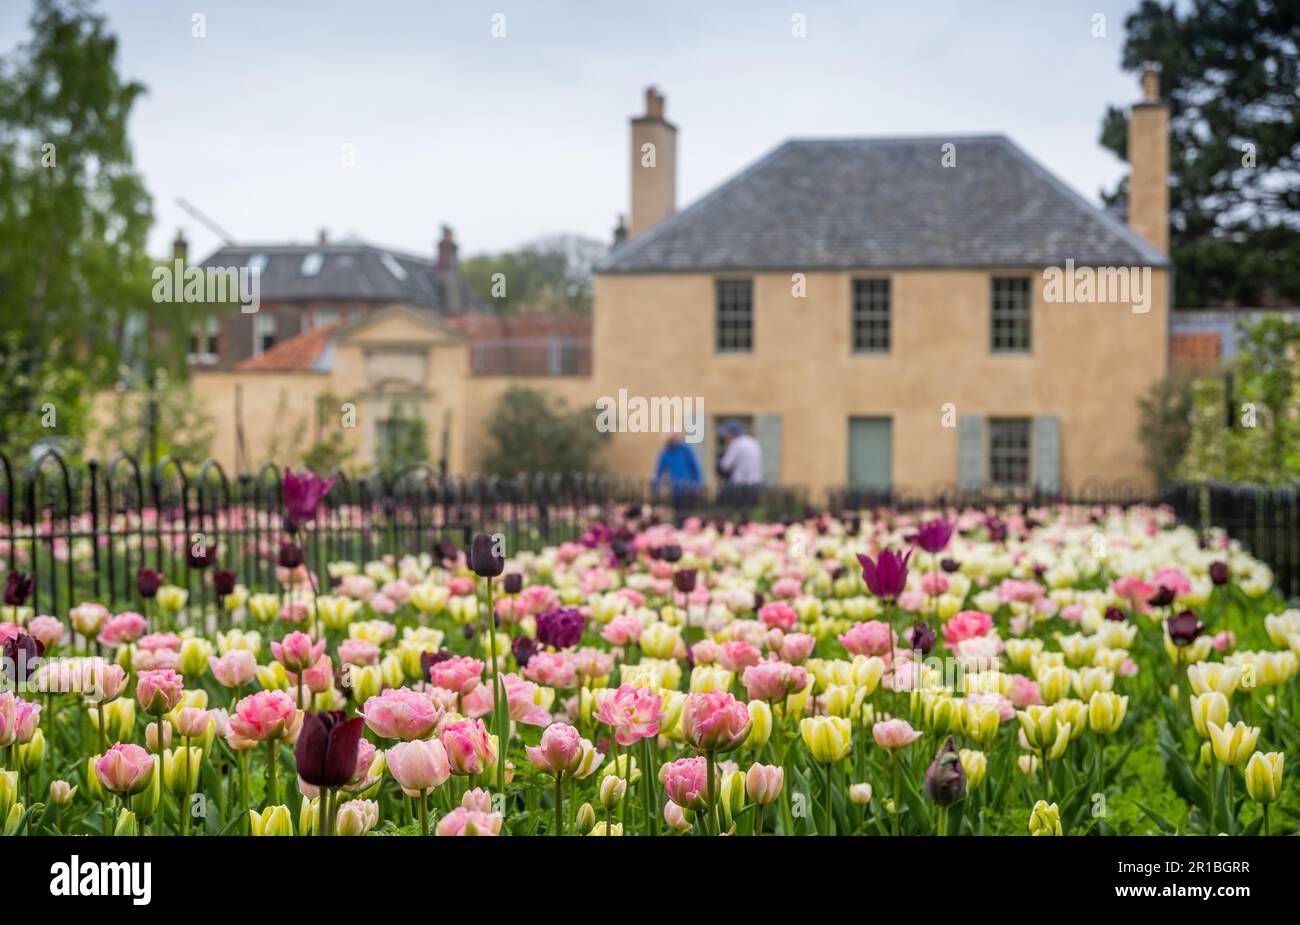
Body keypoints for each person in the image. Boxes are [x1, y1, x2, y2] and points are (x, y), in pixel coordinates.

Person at [652, 432, 703, 521]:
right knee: (677, 516)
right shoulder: (665, 451)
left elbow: (695, 467)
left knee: (687, 515)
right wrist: (655, 487)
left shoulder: (686, 449)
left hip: (688, 488)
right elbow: (659, 470)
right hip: (675, 489)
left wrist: (698, 484)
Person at [717, 420, 763, 508]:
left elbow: (725, 466)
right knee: (750, 511)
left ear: (730, 435)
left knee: (734, 510)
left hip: (741, 485)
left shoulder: (736, 444)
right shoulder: (753, 442)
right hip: (756, 483)